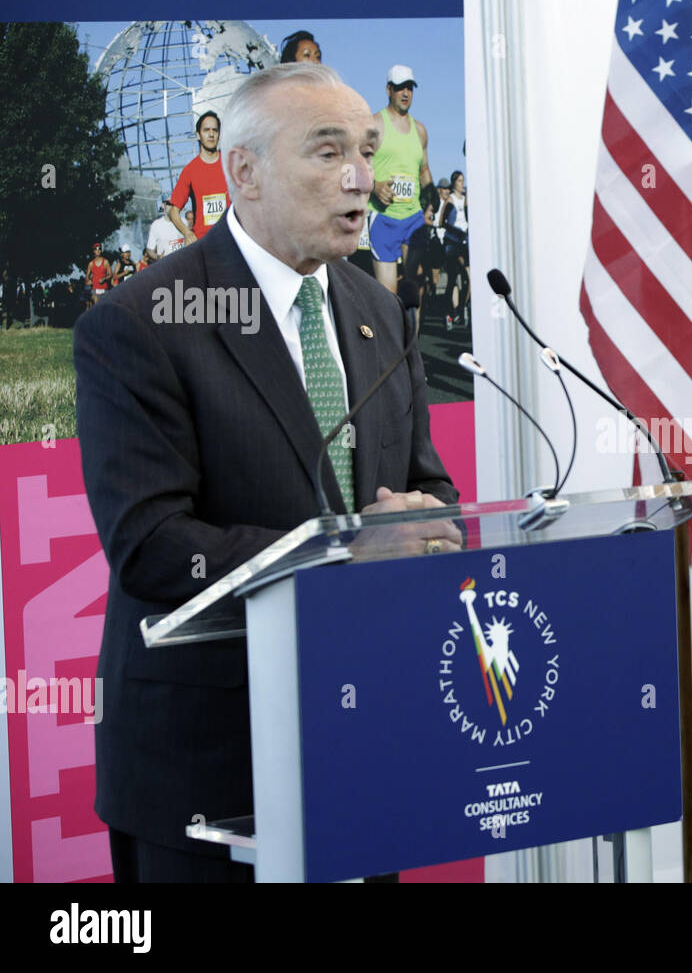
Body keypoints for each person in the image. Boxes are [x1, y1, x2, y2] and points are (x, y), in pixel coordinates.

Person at [74, 62, 463, 883]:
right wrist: (343, 551)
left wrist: (427, 524)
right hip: (210, 776)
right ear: (242, 172)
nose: (360, 176)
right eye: (327, 152)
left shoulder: (381, 312)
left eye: (363, 150)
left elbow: (431, 489)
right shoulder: (141, 322)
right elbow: (149, 544)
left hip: (366, 746)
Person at [368, 65, 432, 295]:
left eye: (410, 88)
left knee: (414, 289)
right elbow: (352, 167)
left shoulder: (421, 130)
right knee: (389, 296)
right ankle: (392, 331)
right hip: (384, 218)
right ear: (388, 90)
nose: (405, 93)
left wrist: (431, 199)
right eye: (399, 88)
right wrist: (375, 187)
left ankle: (411, 333)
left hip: (413, 216)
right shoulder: (373, 125)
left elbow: (424, 171)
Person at [168, 111, 229, 244]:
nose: (211, 134)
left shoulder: (230, 164)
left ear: (219, 134)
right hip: (204, 244)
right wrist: (187, 232)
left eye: (215, 130)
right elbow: (174, 211)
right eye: (206, 130)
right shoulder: (190, 171)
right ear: (198, 135)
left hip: (230, 242)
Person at [439, 170, 468, 328]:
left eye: (464, 180)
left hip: (465, 242)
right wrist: (458, 231)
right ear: (454, 183)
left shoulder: (466, 199)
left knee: (468, 279)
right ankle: (448, 312)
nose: (463, 183)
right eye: (460, 181)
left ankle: (462, 308)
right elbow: (442, 222)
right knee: (452, 279)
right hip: (452, 242)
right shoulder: (450, 199)